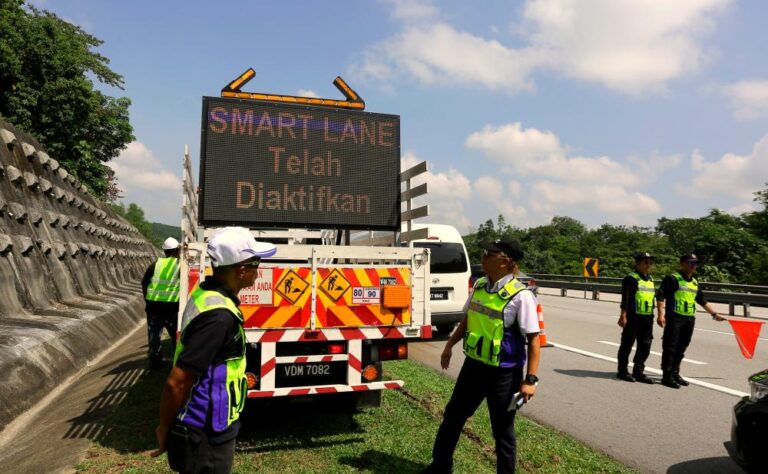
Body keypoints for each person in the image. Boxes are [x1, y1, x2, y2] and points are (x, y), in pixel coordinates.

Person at [151, 227, 276, 473]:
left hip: (212, 425)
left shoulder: (208, 294)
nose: (258, 270)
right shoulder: (219, 317)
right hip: (205, 432)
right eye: (256, 263)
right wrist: (164, 428)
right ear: (241, 270)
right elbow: (177, 381)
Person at [425, 239, 541, 474]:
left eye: (491, 253)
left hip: (504, 375)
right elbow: (468, 318)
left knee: (503, 431)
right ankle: (439, 467)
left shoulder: (521, 296)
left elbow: (534, 339)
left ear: (506, 261)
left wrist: (530, 380)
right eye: (485, 251)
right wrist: (449, 345)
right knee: (453, 418)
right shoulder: (479, 286)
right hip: (473, 368)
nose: (484, 255)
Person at [656, 253, 725, 389]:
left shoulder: (694, 282)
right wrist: (661, 314)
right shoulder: (672, 278)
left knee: (682, 347)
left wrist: (714, 314)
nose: (694, 265)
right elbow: (660, 295)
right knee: (670, 347)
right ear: (682, 263)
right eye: (691, 262)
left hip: (689, 319)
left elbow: (701, 300)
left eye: (696, 263)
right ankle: (666, 376)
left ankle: (675, 373)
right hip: (674, 317)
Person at [616, 252, 656, 384]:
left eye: (650, 262)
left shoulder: (650, 279)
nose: (649, 264)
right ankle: (622, 371)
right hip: (633, 317)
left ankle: (638, 371)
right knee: (627, 344)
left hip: (647, 317)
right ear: (637, 263)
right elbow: (625, 298)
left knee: (645, 345)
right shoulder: (631, 278)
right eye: (646, 262)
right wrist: (623, 315)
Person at [142, 237, 182, 370]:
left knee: (154, 336)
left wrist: (147, 300)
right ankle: (178, 362)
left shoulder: (155, 265)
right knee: (176, 335)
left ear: (164, 251)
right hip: (172, 308)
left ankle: (155, 363)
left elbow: (144, 283)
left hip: (153, 307)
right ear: (177, 251)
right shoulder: (180, 266)